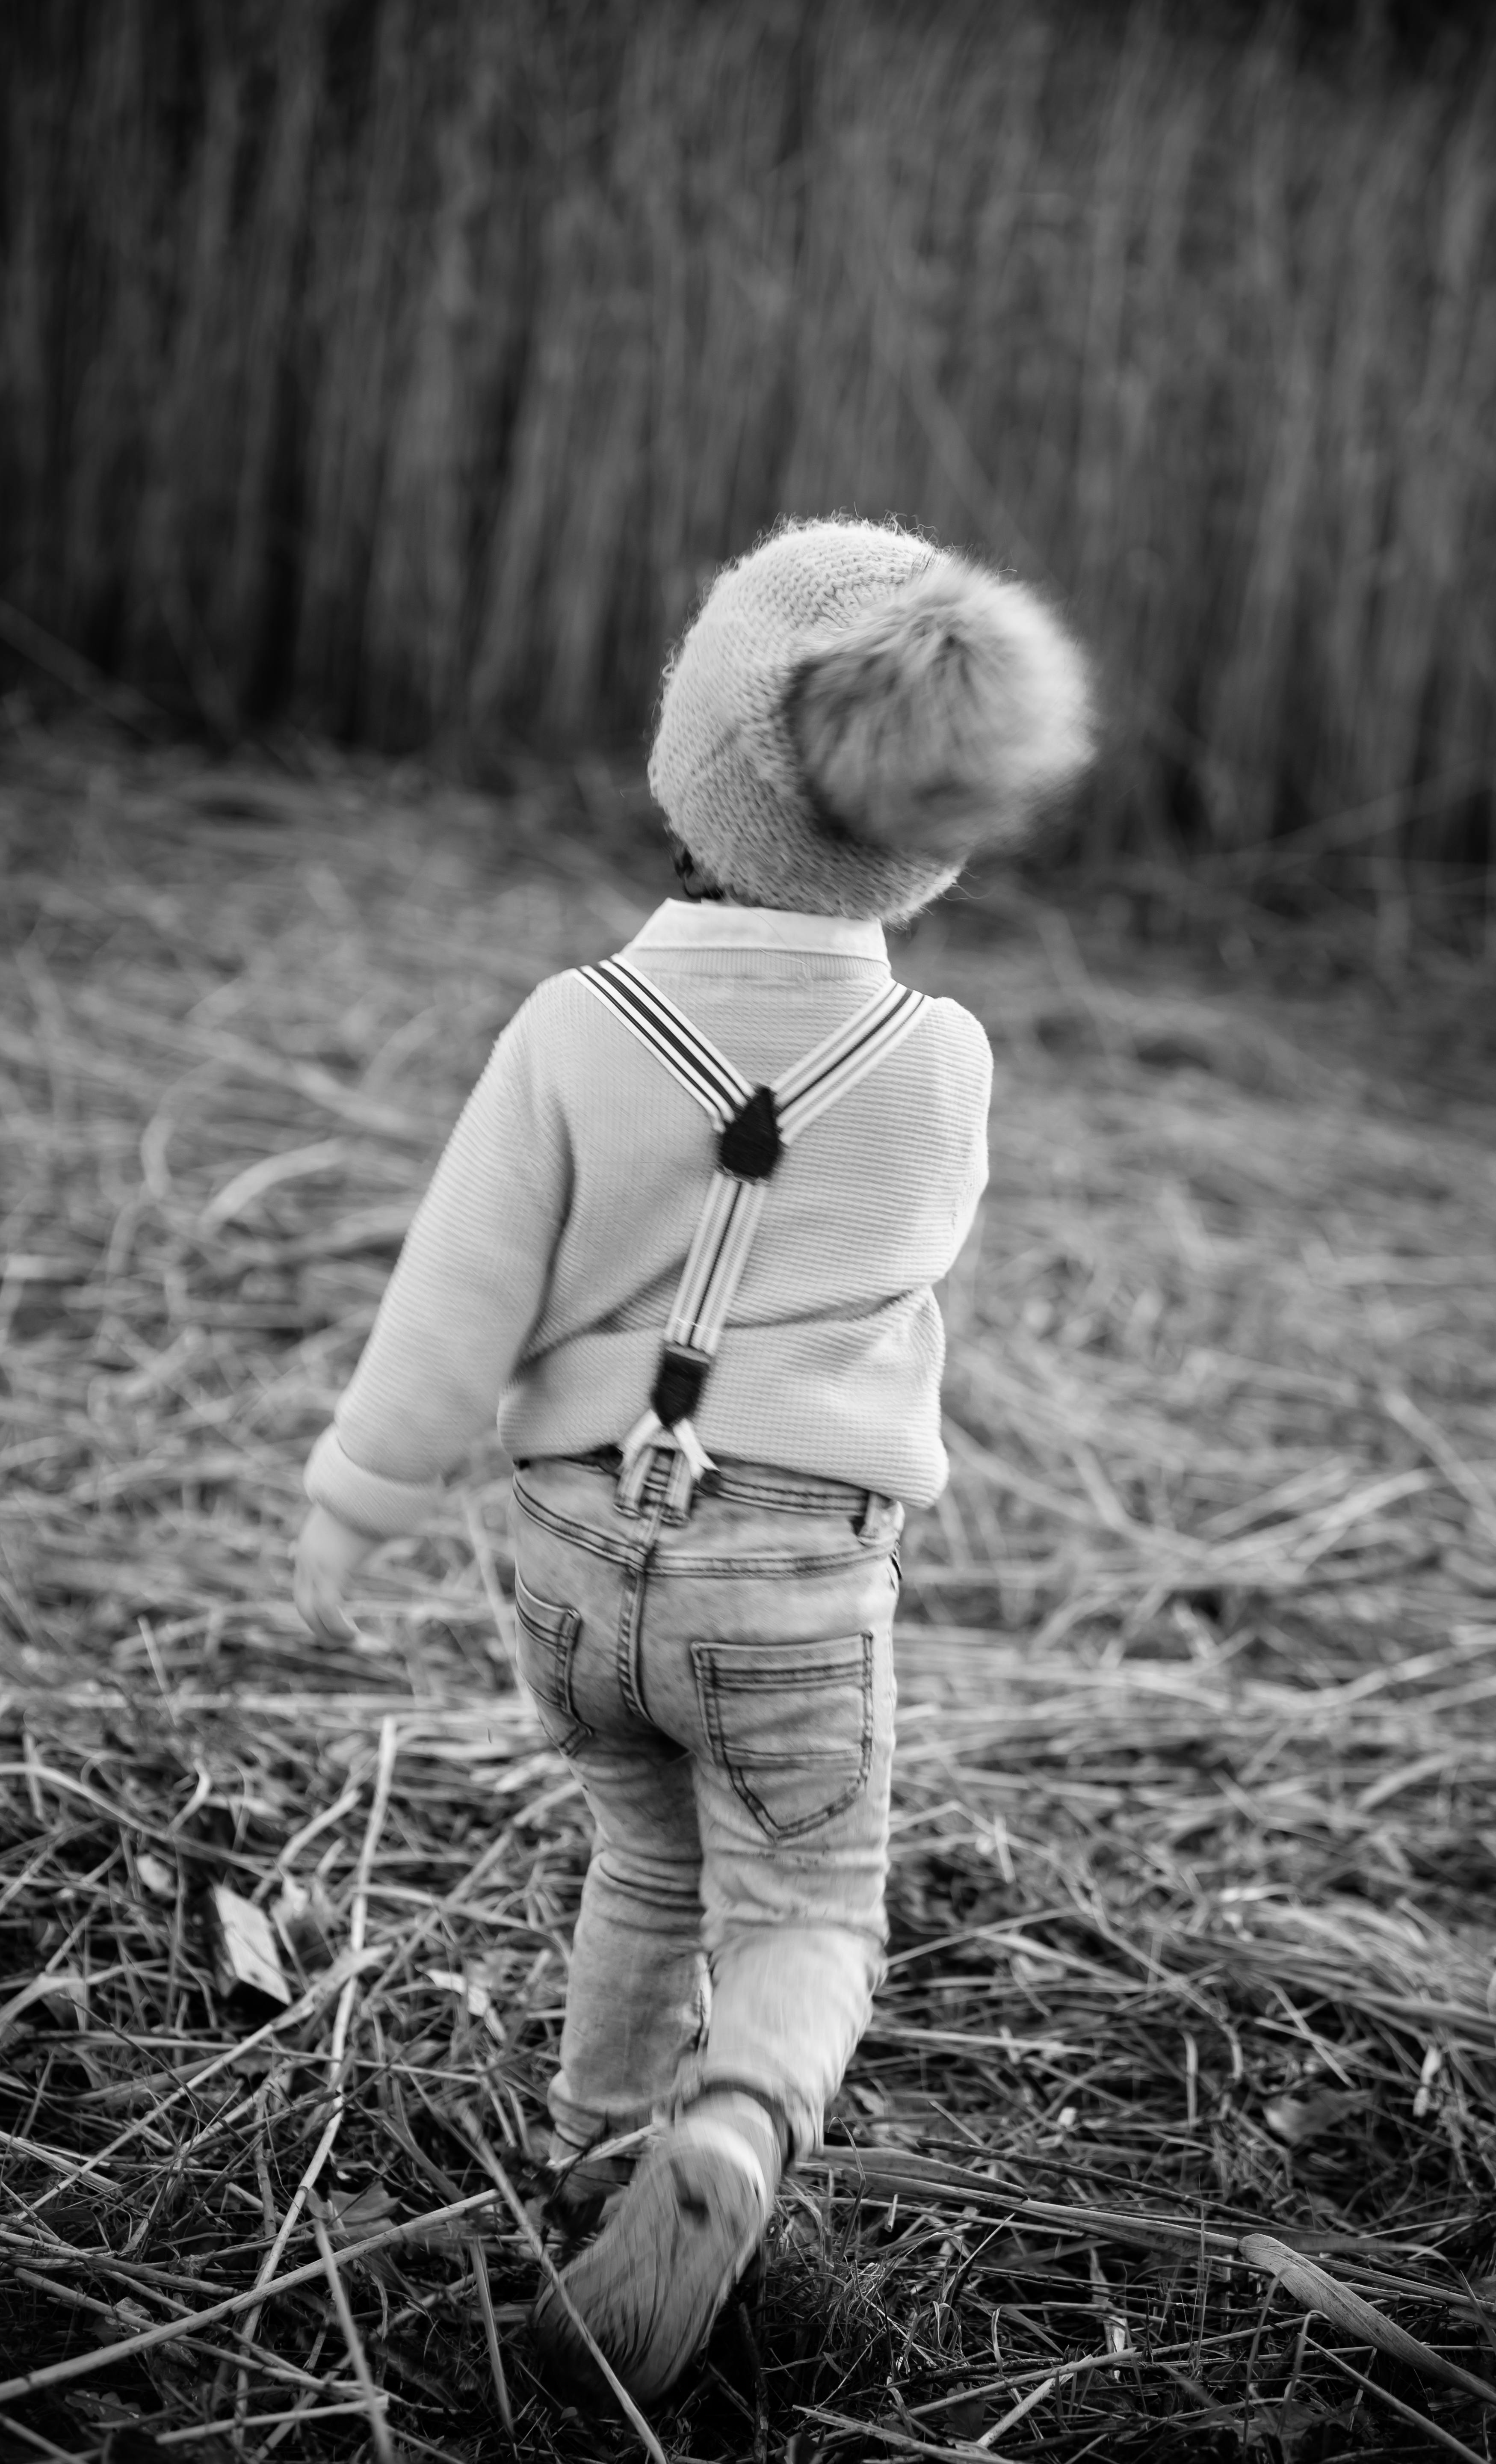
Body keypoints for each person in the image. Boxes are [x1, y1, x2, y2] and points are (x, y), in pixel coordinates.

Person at [293, 517, 1095, 2402]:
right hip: (794, 1580)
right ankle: (730, 2134)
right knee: (806, 1906)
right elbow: (890, 1258)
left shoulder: (573, 1027)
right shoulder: (939, 1062)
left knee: (638, 1856)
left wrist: (363, 1494)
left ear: (686, 760)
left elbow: (456, 1291)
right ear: (927, 827)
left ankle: (591, 2150)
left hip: (571, 1559)